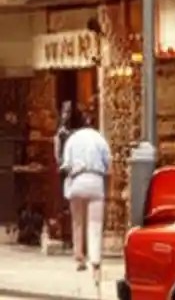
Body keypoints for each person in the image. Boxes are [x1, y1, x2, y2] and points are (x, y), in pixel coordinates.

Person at [59, 108, 110, 280]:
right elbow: (108, 163)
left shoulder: (72, 140)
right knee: (95, 223)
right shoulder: (100, 139)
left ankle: (79, 257)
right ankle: (94, 261)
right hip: (95, 180)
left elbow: (66, 164)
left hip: (77, 181)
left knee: (77, 222)